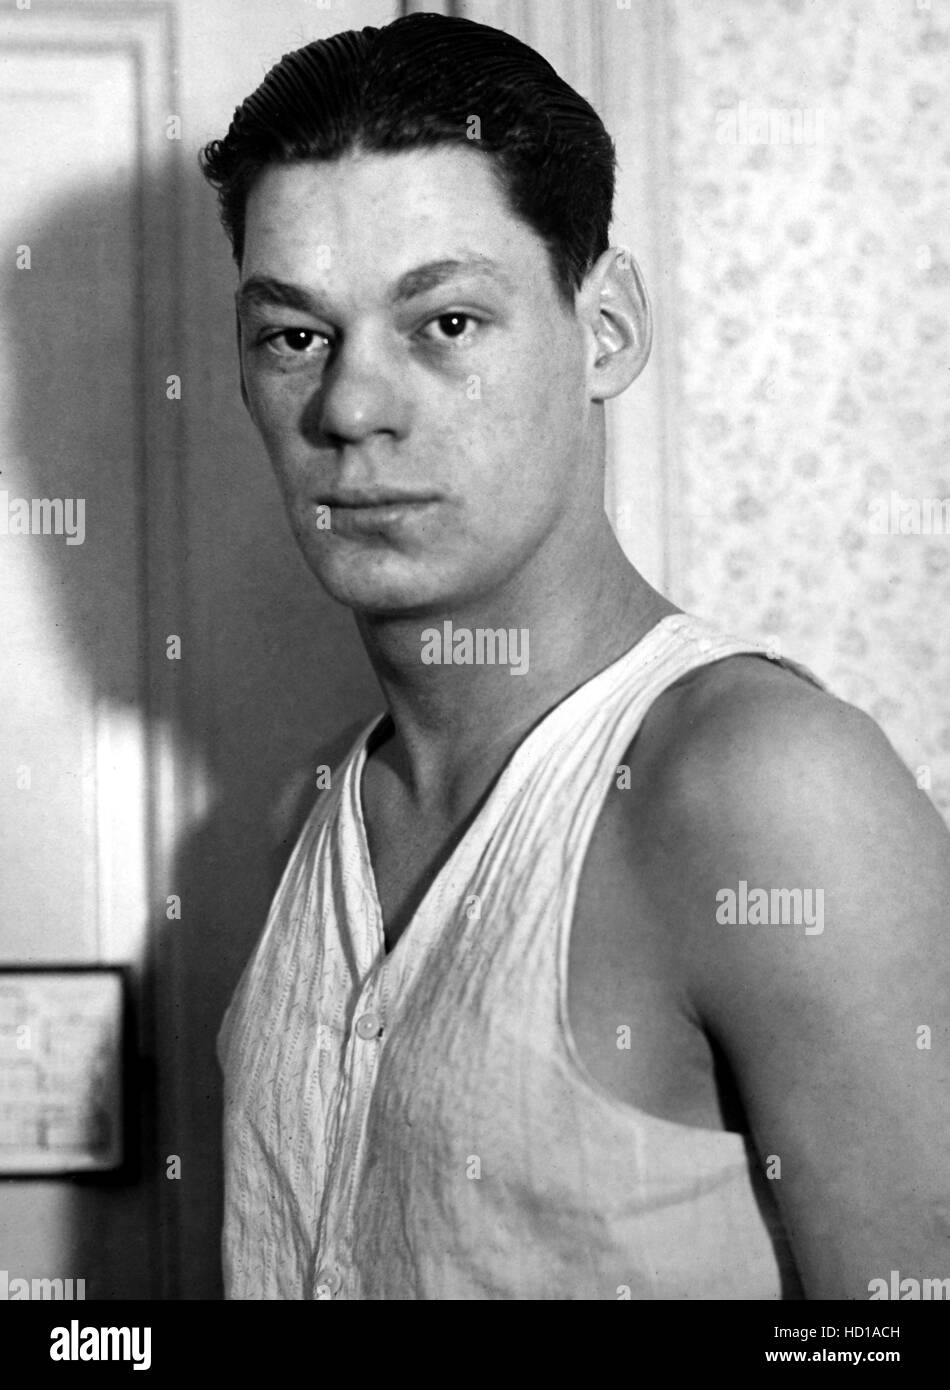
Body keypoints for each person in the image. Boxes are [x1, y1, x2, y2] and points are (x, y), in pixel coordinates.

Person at [200, 11, 950, 1300]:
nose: (350, 408)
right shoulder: (295, 824)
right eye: (295, 335)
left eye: (443, 324)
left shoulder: (762, 792)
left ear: (605, 332)